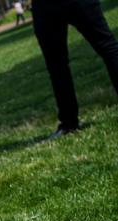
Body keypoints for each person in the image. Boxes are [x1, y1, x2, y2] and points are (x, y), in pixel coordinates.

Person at [32, 0, 118, 139]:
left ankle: (68, 123)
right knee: (56, 66)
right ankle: (68, 123)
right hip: (43, 6)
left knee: (108, 47)